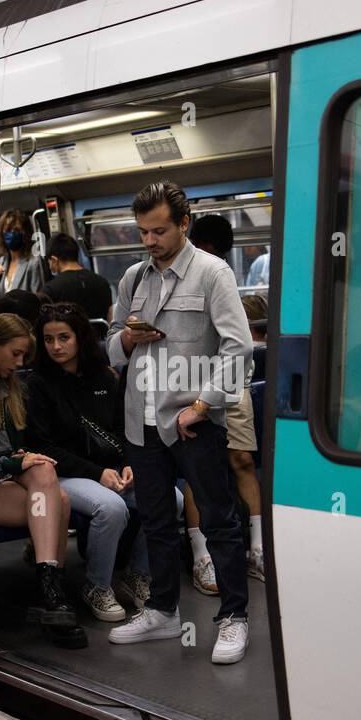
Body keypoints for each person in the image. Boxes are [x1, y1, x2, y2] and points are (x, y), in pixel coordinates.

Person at [104, 181, 253, 664]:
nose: (149, 240)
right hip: (140, 421)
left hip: (193, 421)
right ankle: (163, 611)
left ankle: (234, 617)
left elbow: (237, 348)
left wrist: (204, 404)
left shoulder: (213, 273)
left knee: (218, 521)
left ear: (184, 224)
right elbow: (111, 344)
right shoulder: (133, 279)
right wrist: (127, 341)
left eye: (159, 231)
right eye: (143, 231)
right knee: (156, 521)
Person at [28, 303, 171, 622]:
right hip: (64, 473)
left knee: (167, 498)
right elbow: (44, 446)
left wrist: (129, 462)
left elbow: (124, 428)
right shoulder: (38, 384)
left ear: (80, 338)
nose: (56, 347)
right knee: (111, 508)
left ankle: (138, 575)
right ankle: (96, 585)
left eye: (64, 337)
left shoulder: (105, 377)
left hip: (111, 469)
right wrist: (97, 473)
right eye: (49, 340)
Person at [0, 314, 75, 630]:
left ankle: (48, 583)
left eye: (23, 356)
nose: (19, 363)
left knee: (46, 474)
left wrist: (22, 457)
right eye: (14, 353)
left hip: (2, 478)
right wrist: (13, 463)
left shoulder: (11, 389)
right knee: (61, 503)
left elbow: (13, 446)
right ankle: (51, 591)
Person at [183, 215, 266, 592]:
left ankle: (258, 548)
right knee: (198, 467)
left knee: (243, 460)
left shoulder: (224, 277)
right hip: (193, 381)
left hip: (233, 382)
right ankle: (202, 555)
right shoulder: (182, 277)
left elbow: (240, 342)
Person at [42, 234, 112, 322]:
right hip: (100, 335)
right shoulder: (102, 282)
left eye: (49, 262)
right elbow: (110, 317)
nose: (50, 267)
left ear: (53, 260)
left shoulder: (51, 289)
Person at [0, 209, 46, 296]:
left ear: (25, 234)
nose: (12, 234)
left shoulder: (34, 262)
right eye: (8, 230)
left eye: (16, 231)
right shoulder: (2, 261)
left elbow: (38, 299)